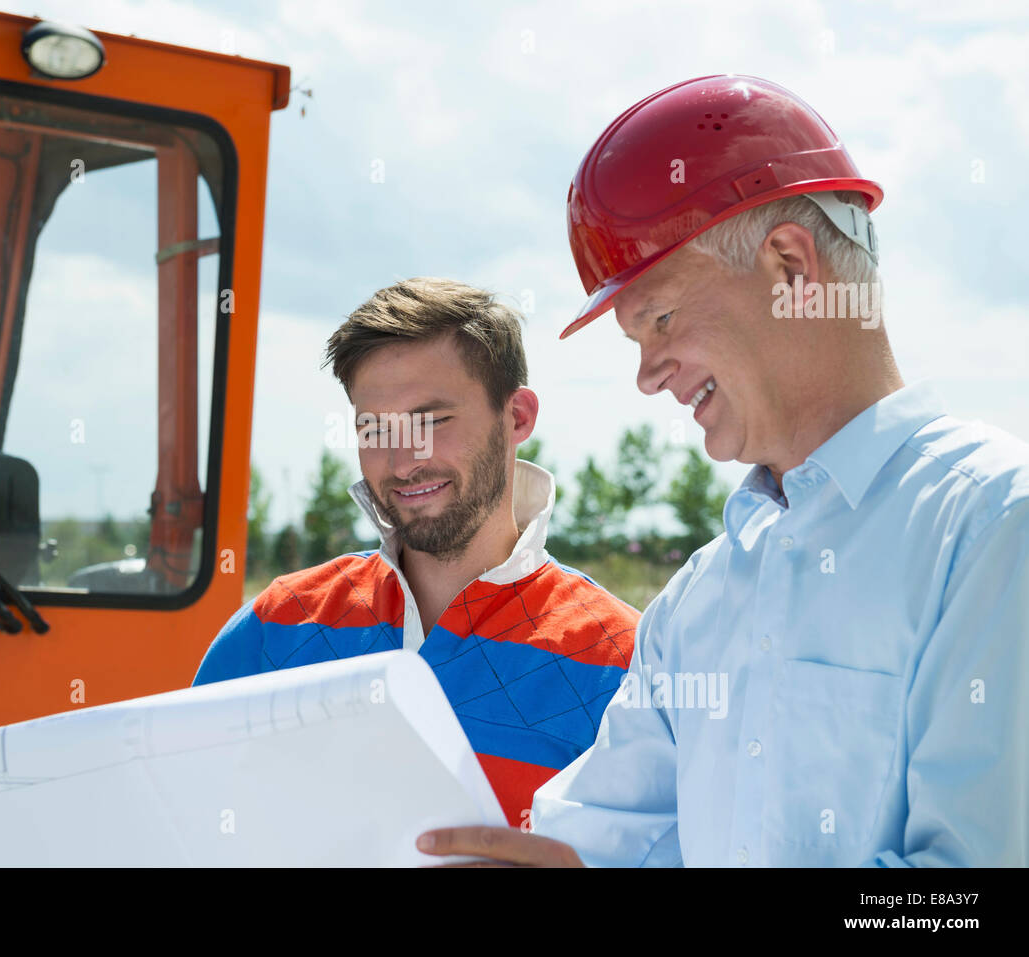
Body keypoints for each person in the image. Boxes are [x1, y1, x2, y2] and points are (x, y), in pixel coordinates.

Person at [417, 75, 1029, 867]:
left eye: (660, 319)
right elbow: (600, 847)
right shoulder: (700, 599)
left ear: (790, 266)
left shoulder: (992, 527)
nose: (647, 375)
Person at [194, 277, 640, 826]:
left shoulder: (623, 662)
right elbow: (181, 823)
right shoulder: (278, 626)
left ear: (517, 417)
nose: (403, 462)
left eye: (430, 421)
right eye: (374, 428)